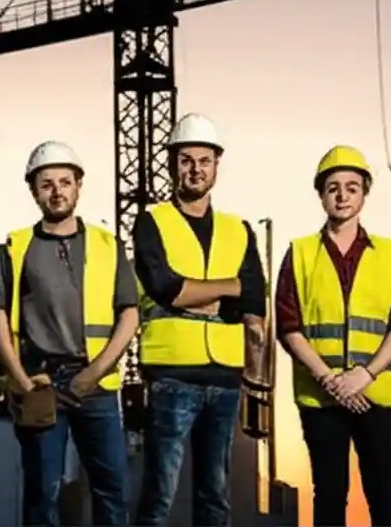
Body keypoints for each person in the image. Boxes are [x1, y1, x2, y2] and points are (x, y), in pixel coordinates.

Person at [0, 141, 139, 526]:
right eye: (47, 184)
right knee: (43, 493)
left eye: (64, 182)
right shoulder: (16, 245)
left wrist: (94, 374)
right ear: (34, 190)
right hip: (41, 382)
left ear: (78, 186)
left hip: (98, 384)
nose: (56, 191)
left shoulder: (108, 245)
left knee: (112, 490)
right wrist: (21, 381)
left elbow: (129, 316)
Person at [131, 113, 268, 527]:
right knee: (159, 494)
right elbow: (165, 287)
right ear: (173, 164)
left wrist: (204, 295)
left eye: (204, 161)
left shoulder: (238, 229)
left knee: (216, 498)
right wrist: (227, 287)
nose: (195, 169)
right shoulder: (152, 221)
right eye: (186, 160)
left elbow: (254, 298)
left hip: (225, 377)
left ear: (216, 166)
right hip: (173, 375)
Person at [274, 145, 391, 526]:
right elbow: (289, 327)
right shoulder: (300, 252)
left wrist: (364, 376)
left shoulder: (390, 253)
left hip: (379, 396)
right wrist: (332, 381)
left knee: (385, 493)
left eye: (352, 187)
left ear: (364, 194)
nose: (342, 195)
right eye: (333, 187)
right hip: (322, 398)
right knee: (330, 495)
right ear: (321, 194)